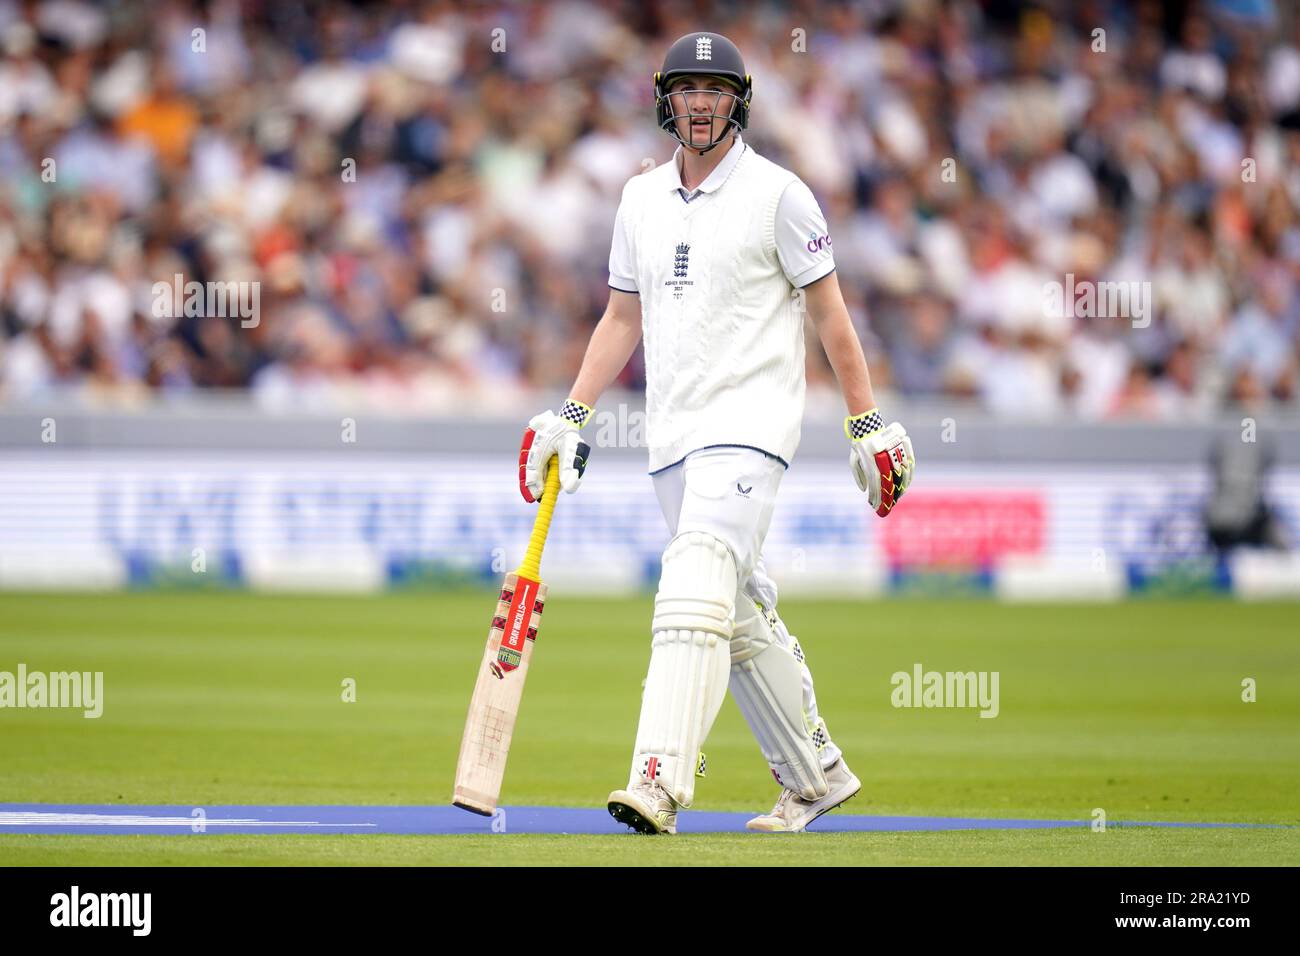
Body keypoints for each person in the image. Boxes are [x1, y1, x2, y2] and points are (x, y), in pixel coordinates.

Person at [517, 32, 915, 834]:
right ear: (666, 98)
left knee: (692, 583)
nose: (703, 103)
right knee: (731, 615)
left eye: (718, 89)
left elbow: (832, 316)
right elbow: (621, 317)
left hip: (754, 425)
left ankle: (657, 782)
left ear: (740, 101)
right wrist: (572, 410)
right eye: (689, 89)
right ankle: (815, 777)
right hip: (671, 436)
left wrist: (865, 421)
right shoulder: (637, 199)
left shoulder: (781, 193)